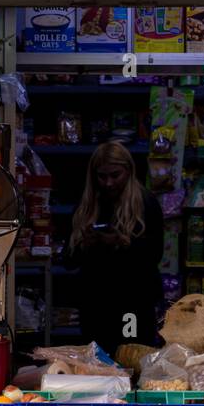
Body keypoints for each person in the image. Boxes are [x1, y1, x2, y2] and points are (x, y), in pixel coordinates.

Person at [64, 140, 164, 357]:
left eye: (115, 175)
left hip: (133, 301)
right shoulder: (87, 206)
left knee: (131, 358)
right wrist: (85, 244)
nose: (108, 183)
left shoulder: (145, 204)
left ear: (128, 171)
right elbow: (68, 260)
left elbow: (155, 255)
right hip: (96, 304)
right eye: (102, 176)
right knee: (98, 365)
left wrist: (123, 244)